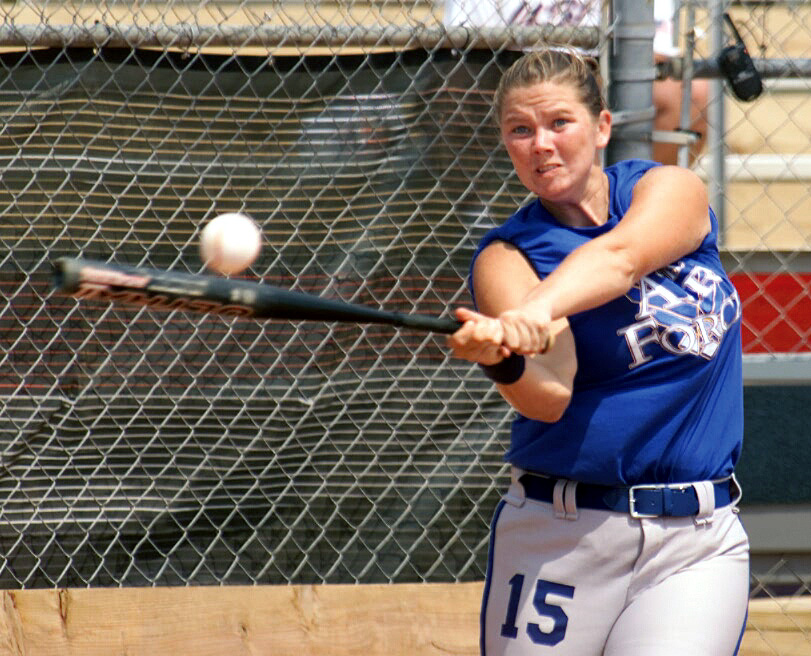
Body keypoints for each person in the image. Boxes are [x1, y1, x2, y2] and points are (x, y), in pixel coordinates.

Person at [448, 49, 749, 655]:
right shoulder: (510, 257)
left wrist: (535, 310)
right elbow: (549, 394)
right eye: (521, 130)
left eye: (560, 122)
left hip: (697, 539)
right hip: (564, 539)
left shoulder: (668, 189)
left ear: (602, 127)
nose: (541, 144)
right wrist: (501, 357)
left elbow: (621, 258)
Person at [443, 0, 710, 166]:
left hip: (601, 79)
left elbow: (653, 55)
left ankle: (632, 199)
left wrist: (579, 80)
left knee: (693, 91)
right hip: (512, 77)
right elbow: (464, 51)